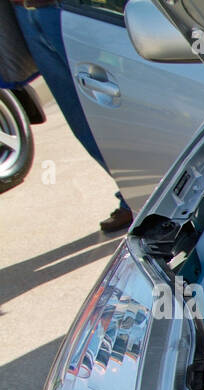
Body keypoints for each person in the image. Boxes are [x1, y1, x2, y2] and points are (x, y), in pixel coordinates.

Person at [10, 0, 132, 233]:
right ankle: (131, 195)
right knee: (81, 120)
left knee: (112, 103)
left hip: (69, 9)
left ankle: (152, 192)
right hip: (28, 12)